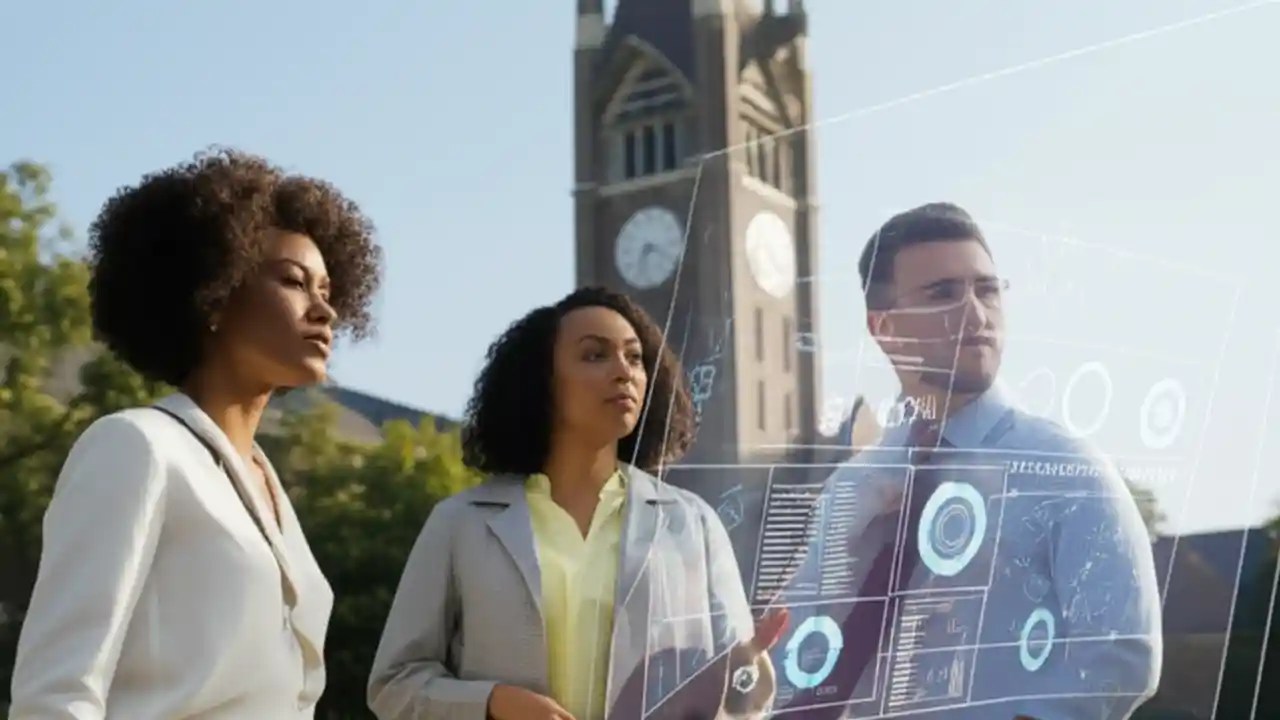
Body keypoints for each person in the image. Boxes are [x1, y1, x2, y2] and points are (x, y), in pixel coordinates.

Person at [9, 148, 384, 719]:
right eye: (293, 282)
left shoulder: (270, 489)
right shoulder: (137, 447)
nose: (324, 311)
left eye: (329, 292)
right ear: (216, 291)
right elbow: (55, 695)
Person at [770, 203, 1162, 719]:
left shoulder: (1066, 470)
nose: (977, 315)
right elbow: (793, 647)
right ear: (883, 326)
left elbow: (1119, 656)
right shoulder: (850, 486)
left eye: (988, 289)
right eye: (943, 294)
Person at [368, 287, 789, 720]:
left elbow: (748, 702)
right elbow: (394, 684)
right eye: (595, 355)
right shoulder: (460, 524)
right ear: (542, 382)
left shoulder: (693, 523)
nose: (624, 371)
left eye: (635, 357)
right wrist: (493, 703)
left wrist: (742, 668)